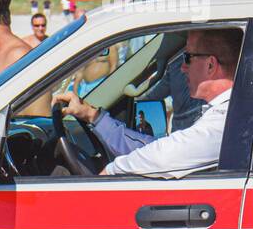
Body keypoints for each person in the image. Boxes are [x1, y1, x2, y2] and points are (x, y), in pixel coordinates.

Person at [52, 27, 242, 178]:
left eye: (188, 57)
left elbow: (163, 157)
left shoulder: (227, 119)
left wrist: (109, 172)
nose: (183, 67)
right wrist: (92, 115)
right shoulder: (227, 113)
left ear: (210, 65)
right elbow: (152, 150)